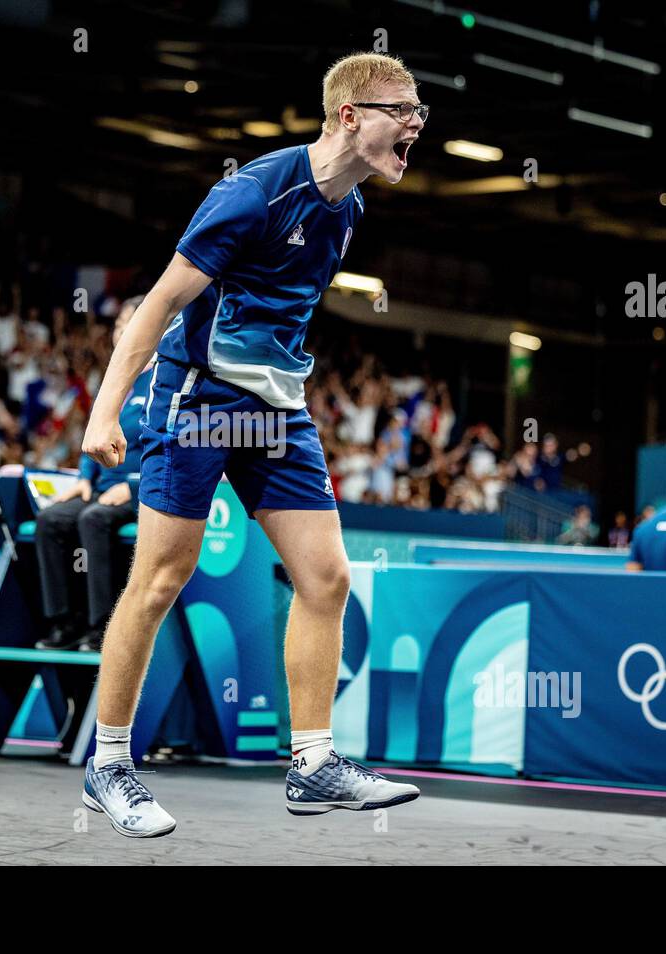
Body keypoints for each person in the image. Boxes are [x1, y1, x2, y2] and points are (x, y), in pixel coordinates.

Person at [79, 52, 425, 837]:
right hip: (198, 398)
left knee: (326, 578)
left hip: (275, 410)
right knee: (161, 578)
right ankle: (107, 764)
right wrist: (106, 415)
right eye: (402, 110)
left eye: (418, 112)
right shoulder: (250, 194)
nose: (414, 125)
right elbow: (158, 306)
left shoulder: (347, 214)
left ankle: (313, 765)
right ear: (349, 116)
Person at [34, 298, 148, 653]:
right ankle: (64, 622)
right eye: (116, 326)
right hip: (101, 487)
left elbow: (173, 447)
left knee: (94, 519)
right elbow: (94, 431)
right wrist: (84, 478)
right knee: (50, 520)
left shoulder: (164, 382)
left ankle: (103, 628)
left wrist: (133, 488)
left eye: (128, 324)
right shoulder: (114, 381)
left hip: (144, 493)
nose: (119, 332)